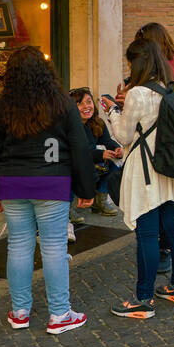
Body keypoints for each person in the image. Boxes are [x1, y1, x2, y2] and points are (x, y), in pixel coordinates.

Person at [0, 47, 96, 332]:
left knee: (18, 245)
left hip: (12, 183)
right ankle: (60, 314)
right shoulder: (62, 104)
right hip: (51, 183)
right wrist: (86, 188)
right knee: (54, 247)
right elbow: (80, 147)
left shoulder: (2, 106)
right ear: (46, 72)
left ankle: (20, 312)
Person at [103, 38, 174, 319]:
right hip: (171, 169)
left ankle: (143, 299)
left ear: (138, 63)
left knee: (147, 234)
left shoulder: (137, 94)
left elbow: (123, 136)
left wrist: (111, 112)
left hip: (146, 172)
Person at [67, 87, 122, 241]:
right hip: (76, 165)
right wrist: (100, 154)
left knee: (116, 164)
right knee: (69, 172)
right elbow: (77, 153)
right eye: (80, 104)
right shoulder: (70, 127)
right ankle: (68, 209)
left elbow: (106, 141)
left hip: (93, 164)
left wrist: (116, 149)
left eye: (89, 102)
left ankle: (100, 201)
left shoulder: (97, 123)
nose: (86, 107)